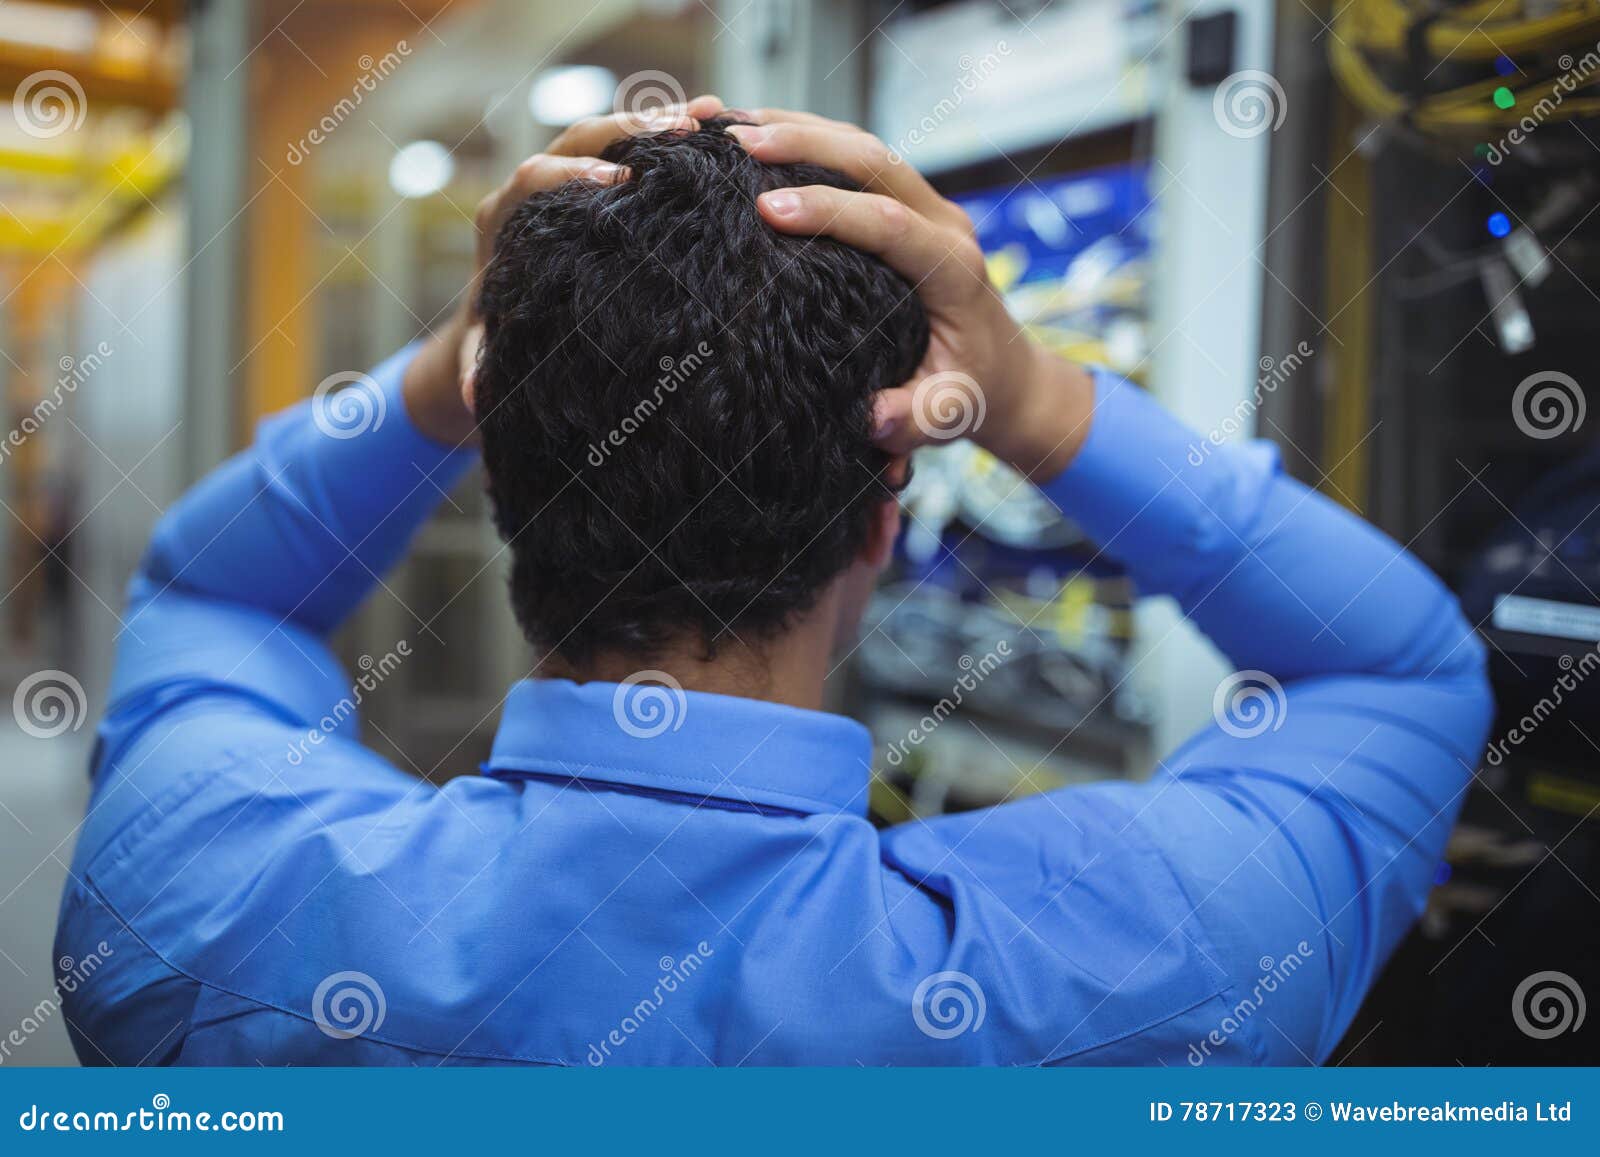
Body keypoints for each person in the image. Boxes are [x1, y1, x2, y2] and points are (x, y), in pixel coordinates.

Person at [56, 96, 1491, 1066]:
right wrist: (1037, 395)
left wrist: (446, 378)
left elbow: (214, 592)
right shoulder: (1151, 966)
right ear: (885, 516)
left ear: (502, 480)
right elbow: (1393, 666)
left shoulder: (204, 890)